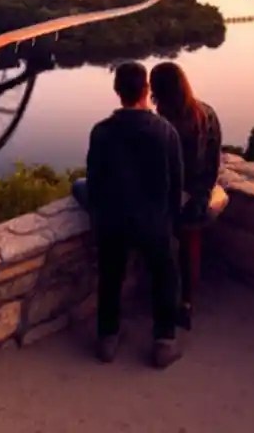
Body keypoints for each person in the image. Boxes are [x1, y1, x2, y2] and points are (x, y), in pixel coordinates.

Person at [85, 61, 185, 368]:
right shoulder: (165, 132)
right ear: (146, 91)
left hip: (113, 222)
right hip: (152, 222)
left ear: (117, 92)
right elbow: (176, 185)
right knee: (165, 273)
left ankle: (107, 338)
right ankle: (164, 341)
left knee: (110, 275)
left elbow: (94, 183)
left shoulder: (101, 132)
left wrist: (99, 218)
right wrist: (167, 223)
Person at [149, 62, 223, 331]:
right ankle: (187, 304)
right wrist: (200, 193)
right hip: (197, 198)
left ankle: (164, 301)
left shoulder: (160, 124)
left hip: (170, 202)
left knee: (164, 244)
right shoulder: (206, 114)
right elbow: (214, 164)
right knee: (190, 245)